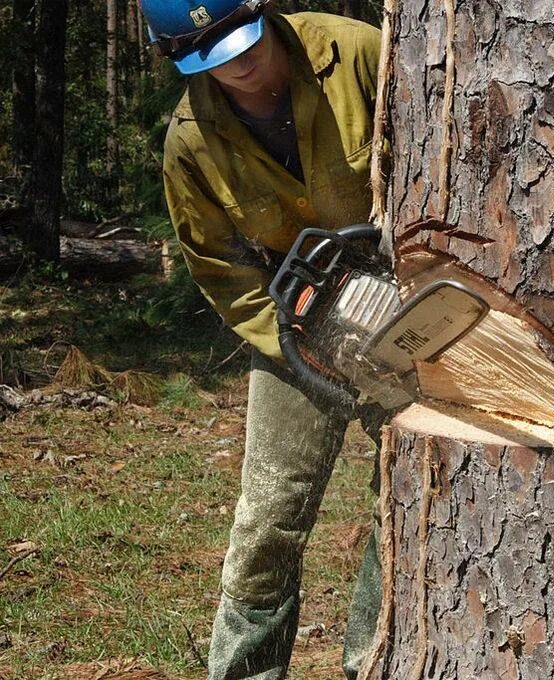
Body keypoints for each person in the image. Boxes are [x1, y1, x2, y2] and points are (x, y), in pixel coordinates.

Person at [138, 0, 386, 677]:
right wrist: (295, 346)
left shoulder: (357, 53)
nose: (237, 64)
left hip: (406, 305)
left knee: (404, 494)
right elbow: (219, 265)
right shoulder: (193, 139)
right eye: (209, 56)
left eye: (239, 40)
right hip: (298, 315)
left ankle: (381, 660)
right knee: (267, 519)